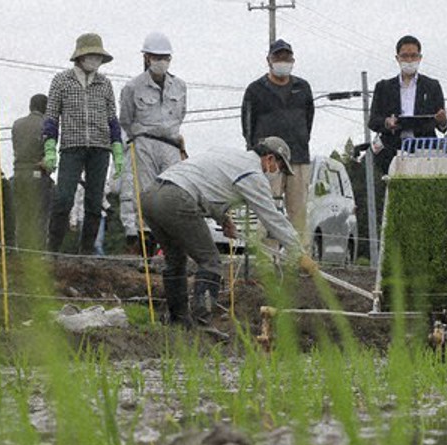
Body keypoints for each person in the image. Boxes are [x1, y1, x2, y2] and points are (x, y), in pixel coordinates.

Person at [141, 137, 318, 327]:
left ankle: (179, 323)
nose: (275, 172)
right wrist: (299, 253)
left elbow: (207, 186)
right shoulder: (253, 174)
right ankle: (202, 324)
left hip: (151, 196)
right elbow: (272, 218)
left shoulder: (226, 154)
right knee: (210, 261)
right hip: (176, 199)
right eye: (279, 167)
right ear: (269, 158)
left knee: (175, 259)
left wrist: (223, 219)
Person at [43, 33, 121, 254]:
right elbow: (51, 116)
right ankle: (52, 250)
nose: (94, 60)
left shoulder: (105, 84)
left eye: (98, 56)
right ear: (80, 56)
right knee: (64, 198)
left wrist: (117, 148)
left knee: (95, 202)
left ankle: (86, 252)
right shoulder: (61, 81)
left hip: (100, 147)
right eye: (91, 55)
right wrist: (49, 147)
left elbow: (112, 118)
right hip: (71, 146)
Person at [241, 39, 315, 249]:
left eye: (286, 58)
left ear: (293, 60)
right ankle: (268, 260)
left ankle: (301, 259)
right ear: (269, 60)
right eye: (278, 57)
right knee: (268, 209)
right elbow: (248, 125)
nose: (282, 62)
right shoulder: (255, 90)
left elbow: (309, 120)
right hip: (268, 161)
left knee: (298, 212)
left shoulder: (303, 88)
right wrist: (256, 155)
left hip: (298, 157)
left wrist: (299, 143)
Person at [118, 31, 186, 255]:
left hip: (170, 144)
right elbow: (126, 119)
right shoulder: (132, 87)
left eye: (165, 57)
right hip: (144, 142)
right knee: (144, 194)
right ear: (147, 58)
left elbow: (180, 115)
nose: (161, 61)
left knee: (171, 194)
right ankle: (144, 244)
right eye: (157, 57)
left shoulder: (180, 87)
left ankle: (170, 246)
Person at [368, 35, 447, 175]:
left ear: (420, 57)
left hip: (424, 149)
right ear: (397, 58)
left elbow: (442, 125)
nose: (409, 60)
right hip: (392, 150)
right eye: (405, 56)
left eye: (413, 56)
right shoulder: (383, 87)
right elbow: (373, 121)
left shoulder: (432, 86)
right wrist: (387, 122)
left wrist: (442, 121)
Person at [10, 93, 52, 249]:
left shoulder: (17, 124)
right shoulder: (47, 125)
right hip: (37, 174)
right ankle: (37, 251)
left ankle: (20, 249)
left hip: (19, 172)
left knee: (21, 214)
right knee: (38, 215)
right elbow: (49, 155)